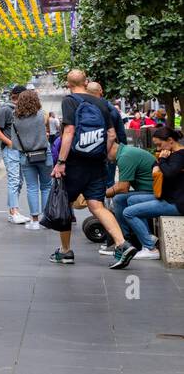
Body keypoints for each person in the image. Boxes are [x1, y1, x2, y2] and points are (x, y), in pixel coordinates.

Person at [51, 69, 137, 268]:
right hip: (97, 164)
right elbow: (112, 134)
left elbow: (69, 131)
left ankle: (65, 252)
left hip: (74, 164)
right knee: (97, 205)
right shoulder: (101, 103)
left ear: (68, 84)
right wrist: (101, 155)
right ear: (86, 81)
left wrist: (61, 162)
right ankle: (122, 244)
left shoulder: (70, 101)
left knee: (65, 204)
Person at [118, 126, 184, 262]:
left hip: (176, 203)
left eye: (159, 144)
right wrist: (159, 162)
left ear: (170, 140)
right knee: (132, 200)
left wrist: (162, 161)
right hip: (168, 197)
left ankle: (150, 248)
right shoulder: (171, 153)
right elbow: (156, 164)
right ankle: (148, 238)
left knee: (128, 212)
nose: (158, 149)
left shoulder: (180, 155)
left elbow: (170, 173)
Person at [102, 136, 159, 256]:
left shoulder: (125, 156)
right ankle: (126, 239)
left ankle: (128, 240)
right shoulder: (126, 153)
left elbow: (123, 187)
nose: (105, 159)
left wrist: (100, 194)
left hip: (154, 193)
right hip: (150, 191)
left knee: (123, 199)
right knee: (120, 199)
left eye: (103, 155)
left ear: (110, 147)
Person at [13, 89, 53, 230]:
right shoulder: (42, 115)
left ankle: (34, 221)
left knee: (32, 187)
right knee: (47, 186)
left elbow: (14, 143)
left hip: (26, 156)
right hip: (44, 155)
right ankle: (47, 219)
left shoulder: (15, 119)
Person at [0, 84, 27, 225]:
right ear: (19, 96)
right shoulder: (5, 109)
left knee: (18, 181)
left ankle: (14, 211)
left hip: (19, 150)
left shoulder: (19, 109)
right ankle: (14, 212)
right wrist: (9, 142)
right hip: (10, 150)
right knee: (14, 180)